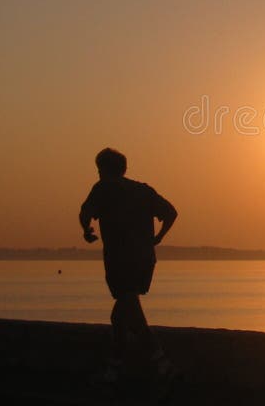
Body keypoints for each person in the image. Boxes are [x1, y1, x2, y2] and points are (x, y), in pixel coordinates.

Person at [79, 148, 178, 385]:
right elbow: (171, 212)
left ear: (103, 169)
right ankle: (116, 368)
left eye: (99, 169)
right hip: (145, 260)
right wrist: (159, 237)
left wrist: (86, 230)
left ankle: (161, 364)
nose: (99, 173)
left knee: (129, 309)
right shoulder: (143, 190)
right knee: (121, 315)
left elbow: (85, 212)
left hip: (120, 259)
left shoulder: (103, 188)